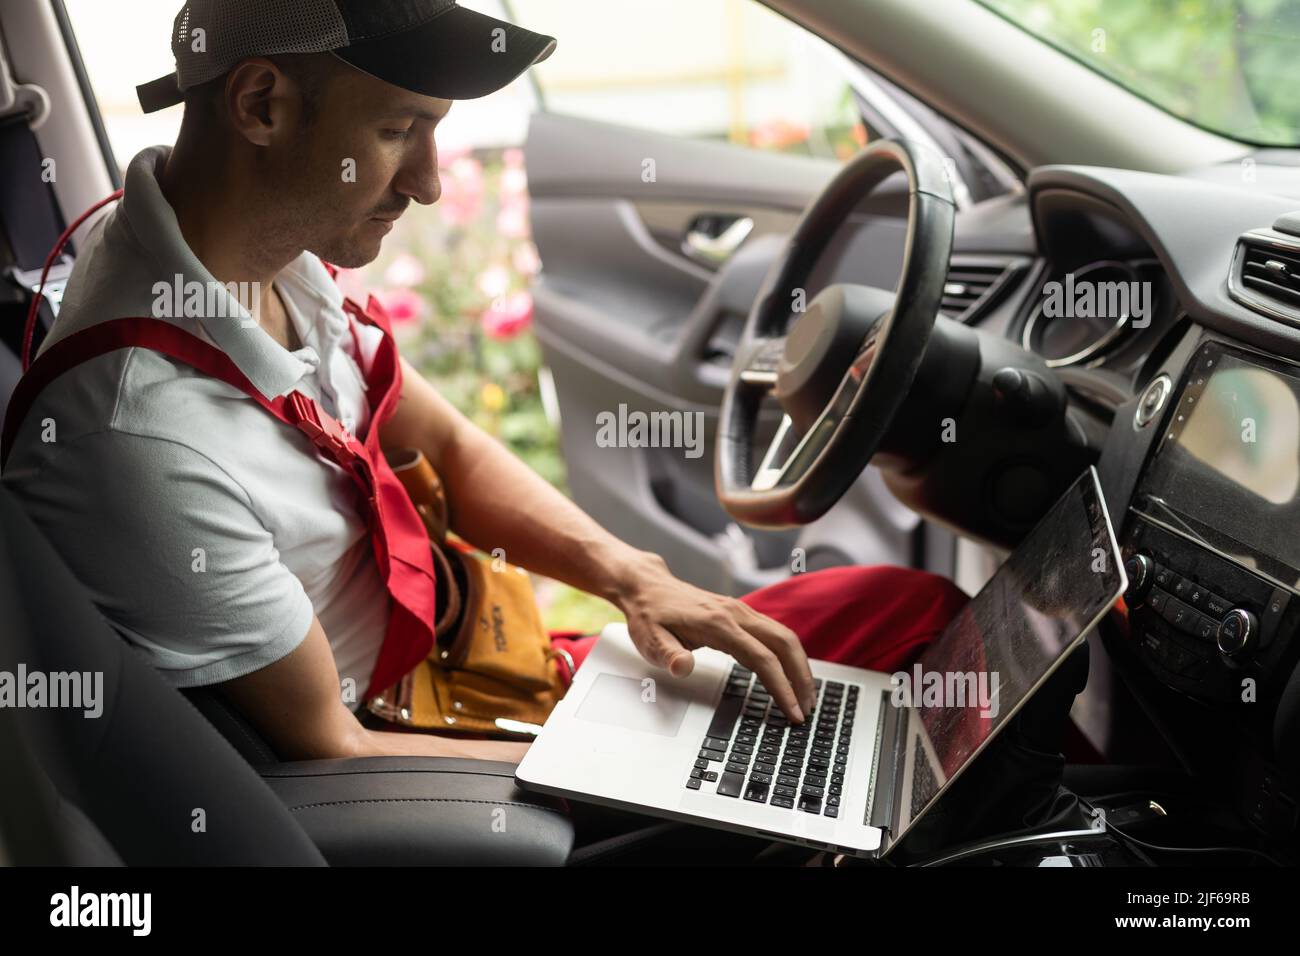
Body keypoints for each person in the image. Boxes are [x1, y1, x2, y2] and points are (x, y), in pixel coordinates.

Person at [1, 0, 970, 777]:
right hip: (433, 757)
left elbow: (444, 446)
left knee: (908, 610)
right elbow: (336, 750)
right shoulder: (138, 431)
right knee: (907, 661)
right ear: (260, 105)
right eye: (400, 130)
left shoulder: (258, 255)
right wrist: (642, 768)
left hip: (479, 672)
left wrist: (636, 577)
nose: (428, 182)